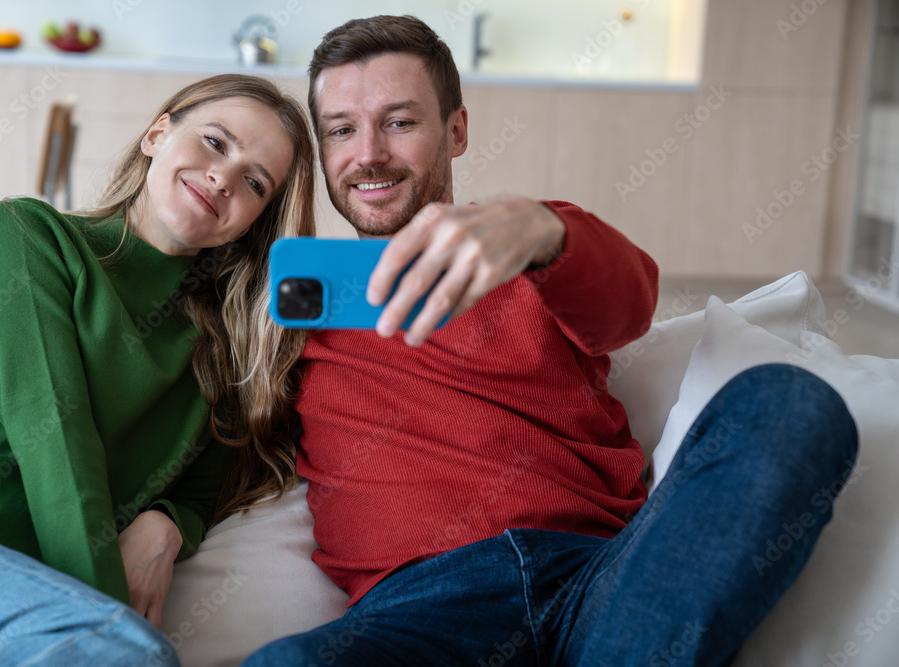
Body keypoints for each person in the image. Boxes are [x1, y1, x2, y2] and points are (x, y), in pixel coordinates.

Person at [243, 15, 859, 666]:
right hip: (417, 618)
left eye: (399, 122)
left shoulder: (536, 252)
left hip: (601, 583)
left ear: (456, 131)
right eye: (341, 130)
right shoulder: (289, 318)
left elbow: (632, 306)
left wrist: (541, 229)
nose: (368, 153)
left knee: (790, 403)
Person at [0, 73, 315, 666]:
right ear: (157, 134)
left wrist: (167, 523)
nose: (223, 178)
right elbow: (54, 437)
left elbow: (211, 483)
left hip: (31, 591)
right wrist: (105, 612)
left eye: (254, 182)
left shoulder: (225, 349)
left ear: (256, 220)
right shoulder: (25, 236)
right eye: (215, 142)